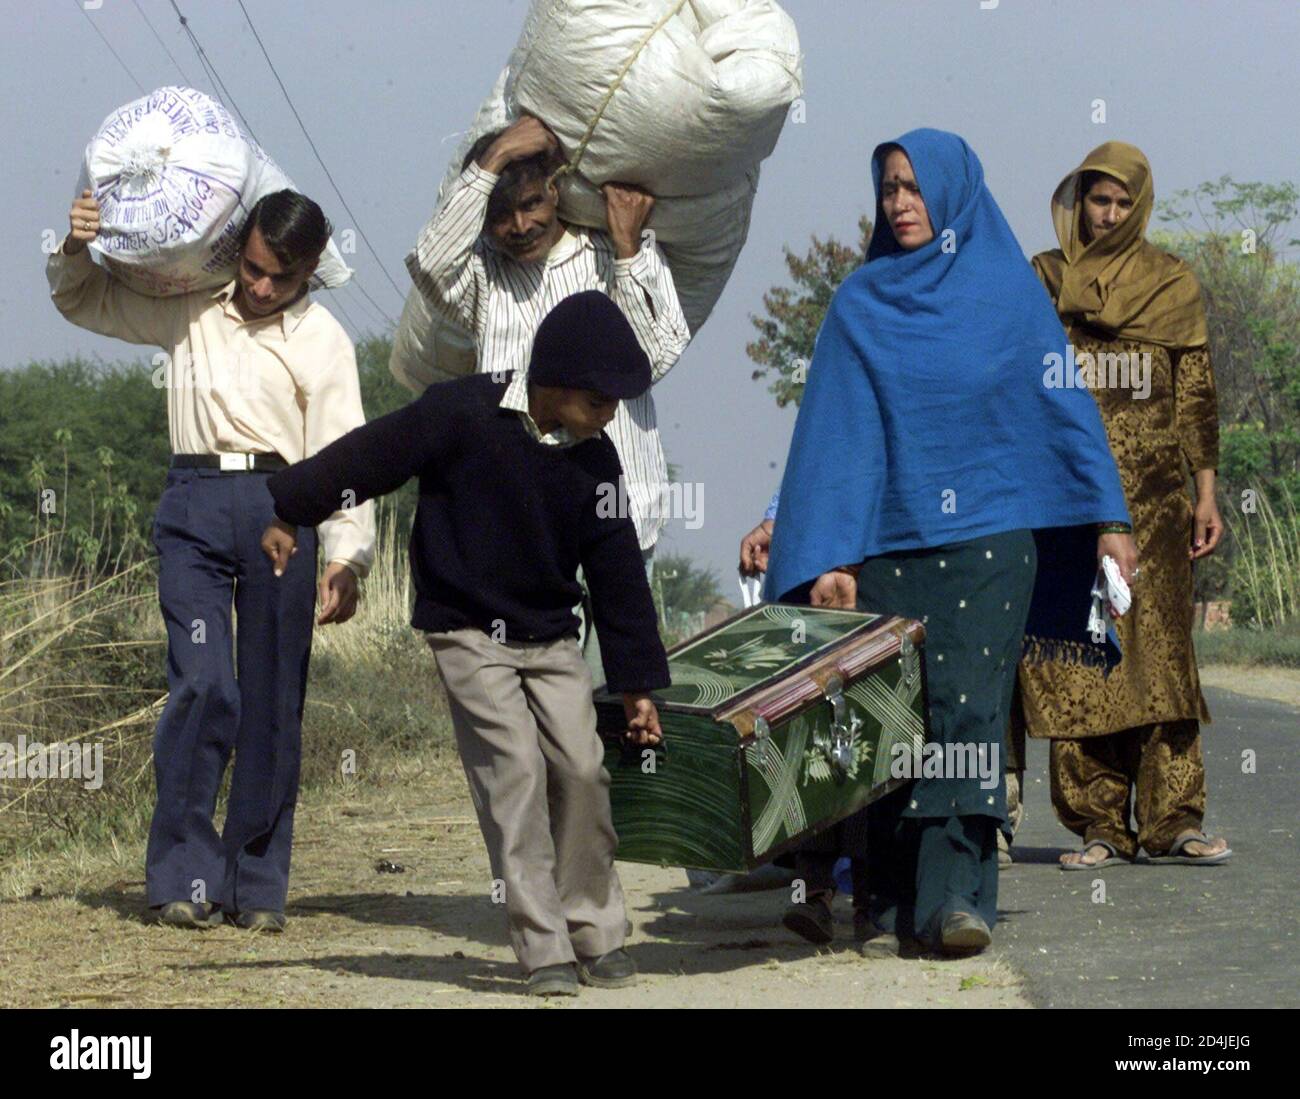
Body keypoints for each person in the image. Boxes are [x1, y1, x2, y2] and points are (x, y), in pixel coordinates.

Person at [762, 129, 1135, 956]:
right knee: (900, 723)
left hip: (992, 546)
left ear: (953, 192)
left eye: (913, 186)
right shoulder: (860, 305)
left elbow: (1065, 410)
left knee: (969, 716)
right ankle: (894, 899)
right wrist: (827, 553)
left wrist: (1110, 519)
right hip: (891, 551)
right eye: (888, 187)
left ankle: (959, 898)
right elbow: (834, 438)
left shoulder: (1008, 295)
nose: (898, 202)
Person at [262, 291, 670, 997]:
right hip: (466, 627)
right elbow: (374, 454)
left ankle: (595, 931)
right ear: (557, 381)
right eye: (602, 398)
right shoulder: (461, 414)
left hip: (548, 636)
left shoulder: (596, 461)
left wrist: (637, 686)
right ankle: (543, 950)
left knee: (581, 769)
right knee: (513, 770)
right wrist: (290, 508)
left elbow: (618, 573)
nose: (611, 413)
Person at [47, 188, 375, 932]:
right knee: (203, 684)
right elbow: (86, 299)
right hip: (192, 504)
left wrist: (349, 555)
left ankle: (257, 884)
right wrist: (75, 245)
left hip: (283, 511)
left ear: (311, 271)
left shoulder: (323, 340)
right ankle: (183, 876)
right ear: (240, 248)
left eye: (280, 279)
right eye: (254, 269)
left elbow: (344, 450)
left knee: (270, 698)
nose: (260, 289)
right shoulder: (189, 305)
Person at [404, 114, 691, 681]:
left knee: (617, 688)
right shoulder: (486, 279)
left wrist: (630, 246)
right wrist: (499, 153)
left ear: (556, 190)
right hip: (521, 518)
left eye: (531, 203)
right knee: (536, 692)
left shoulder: (610, 256)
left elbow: (655, 355)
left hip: (618, 505)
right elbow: (430, 262)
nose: (520, 225)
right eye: (501, 215)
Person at [1017, 141, 1231, 869]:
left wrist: (1206, 491)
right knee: (1085, 655)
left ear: (1138, 207)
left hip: (1161, 501)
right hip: (1070, 497)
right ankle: (1099, 824)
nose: (1106, 215)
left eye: (1119, 202)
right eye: (1095, 200)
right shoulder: (1045, 279)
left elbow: (1196, 393)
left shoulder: (1172, 283)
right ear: (1078, 202)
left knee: (1163, 657)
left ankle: (1175, 818)